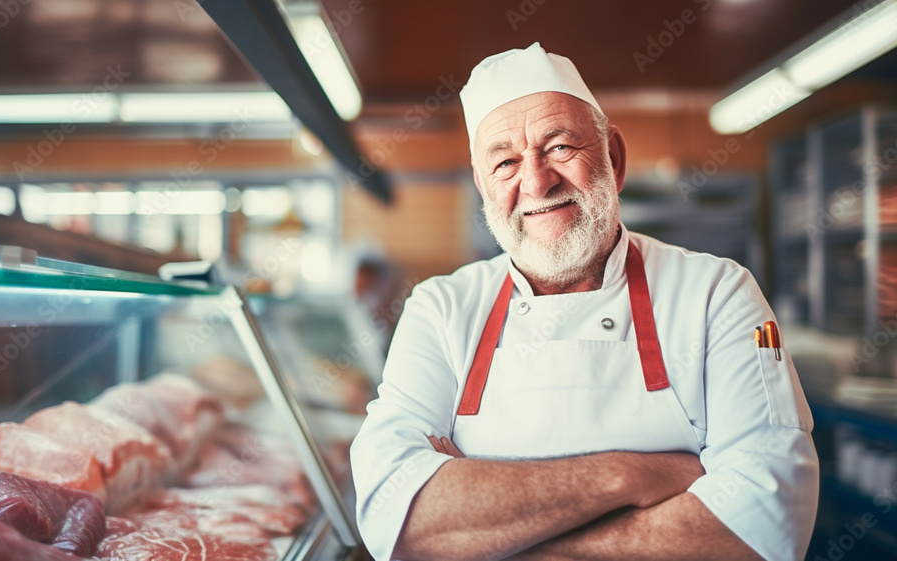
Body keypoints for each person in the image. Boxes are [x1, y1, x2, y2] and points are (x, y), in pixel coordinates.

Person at [350, 42, 818, 561]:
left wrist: (488, 535)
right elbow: (393, 519)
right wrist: (633, 475)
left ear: (613, 159)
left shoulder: (717, 295)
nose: (536, 181)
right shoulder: (439, 309)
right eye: (506, 162)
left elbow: (764, 527)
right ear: (484, 185)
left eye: (559, 148)